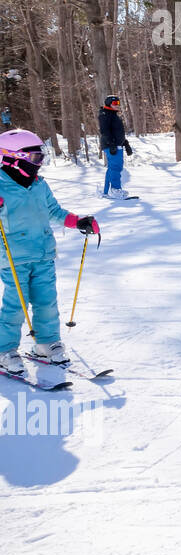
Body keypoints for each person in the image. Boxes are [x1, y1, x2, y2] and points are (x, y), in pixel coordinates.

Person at [0, 129, 99, 373]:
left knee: (46, 302)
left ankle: (46, 343)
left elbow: (54, 211)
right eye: (35, 158)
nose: (40, 163)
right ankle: (5, 350)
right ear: (12, 157)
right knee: (15, 305)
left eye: (41, 157)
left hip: (43, 253)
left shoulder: (39, 185)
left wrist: (77, 221)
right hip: (13, 258)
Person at [97, 95, 133, 199]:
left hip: (117, 145)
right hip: (111, 145)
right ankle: (115, 189)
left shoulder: (113, 115)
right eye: (115, 103)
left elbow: (118, 133)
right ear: (109, 104)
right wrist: (112, 144)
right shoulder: (105, 115)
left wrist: (126, 144)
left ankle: (106, 191)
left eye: (118, 103)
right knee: (116, 167)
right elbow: (105, 131)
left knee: (112, 168)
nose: (117, 105)